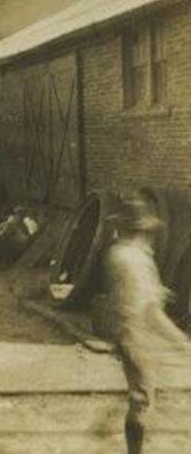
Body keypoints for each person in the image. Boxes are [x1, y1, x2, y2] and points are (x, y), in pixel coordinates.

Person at [97, 193, 191, 454]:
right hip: (136, 335)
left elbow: (132, 291)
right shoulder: (135, 260)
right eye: (147, 232)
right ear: (140, 231)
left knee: (142, 395)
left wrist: (155, 290)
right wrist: (181, 341)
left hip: (125, 331)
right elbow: (151, 311)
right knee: (142, 401)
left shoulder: (118, 252)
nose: (150, 238)